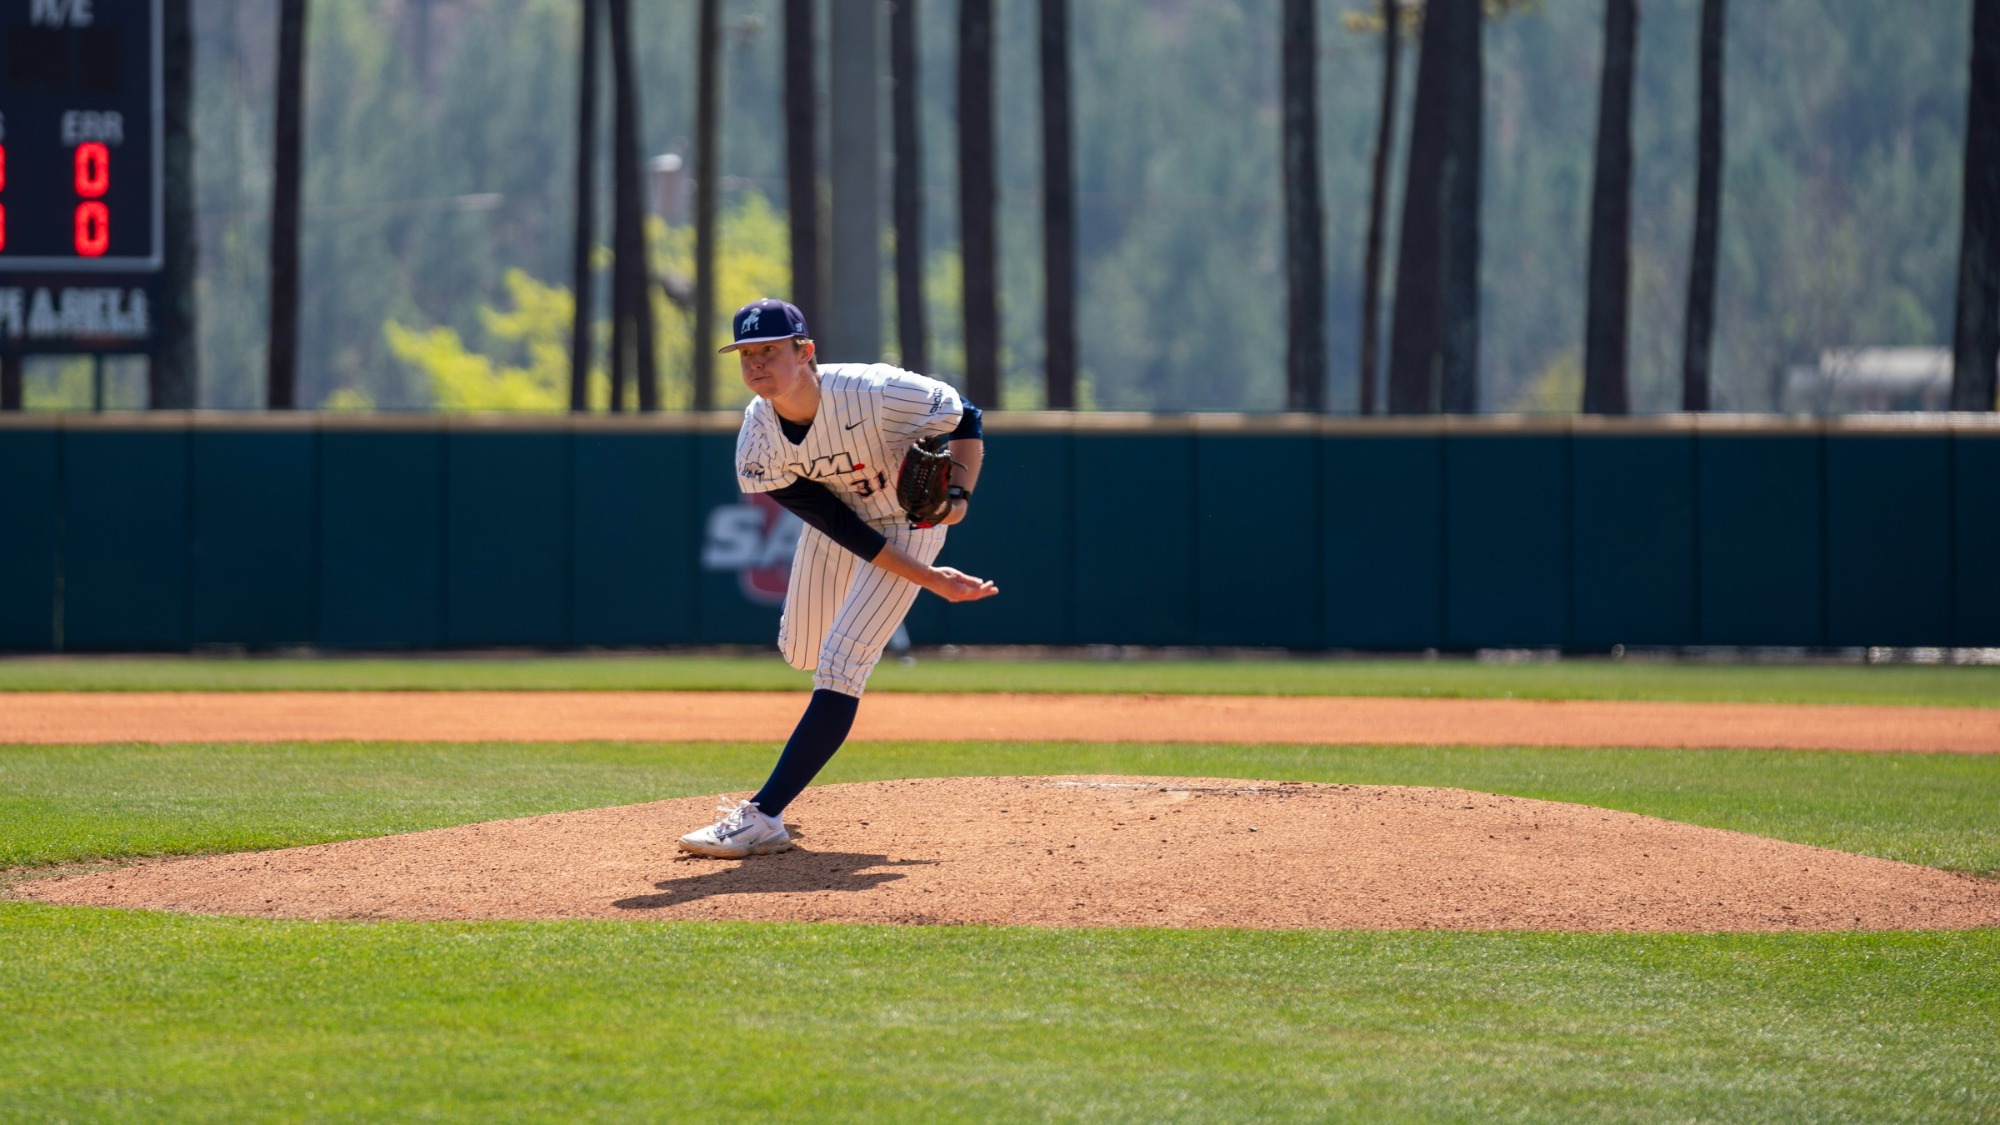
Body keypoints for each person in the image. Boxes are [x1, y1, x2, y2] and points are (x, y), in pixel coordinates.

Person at [678, 298, 999, 859]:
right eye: (746, 354)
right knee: (801, 651)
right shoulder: (758, 441)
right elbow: (840, 525)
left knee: (841, 664)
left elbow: (965, 414)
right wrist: (928, 579)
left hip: (909, 521)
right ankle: (780, 793)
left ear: (805, 352)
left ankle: (763, 816)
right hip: (846, 525)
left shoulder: (874, 391)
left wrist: (958, 501)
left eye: (769, 351)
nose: (755, 363)